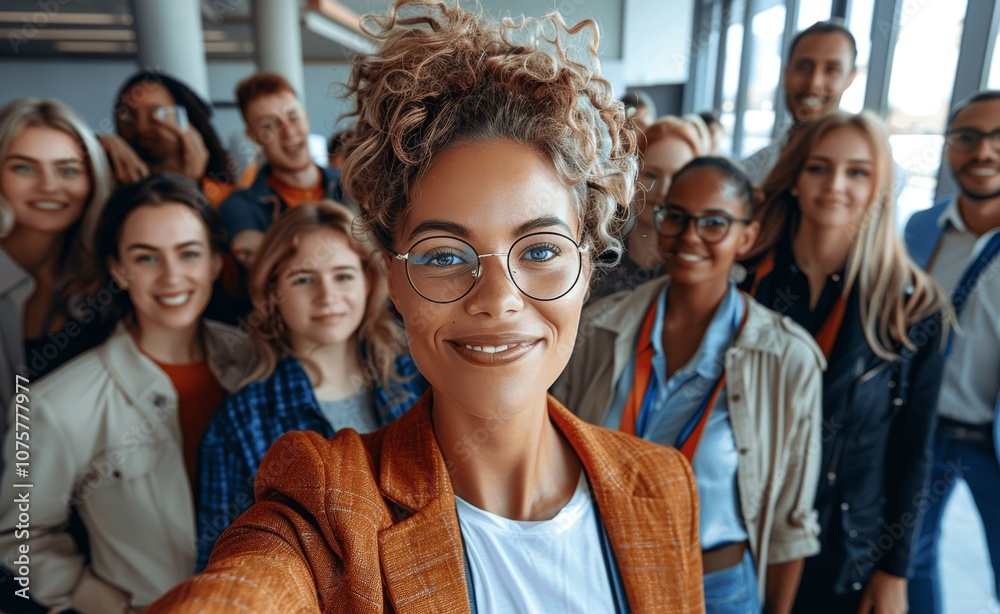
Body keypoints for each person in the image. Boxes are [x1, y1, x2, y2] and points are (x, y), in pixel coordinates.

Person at [149, 1, 703, 611]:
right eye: (444, 256)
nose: (498, 300)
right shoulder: (330, 504)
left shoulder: (664, 484)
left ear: (587, 268)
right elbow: (248, 588)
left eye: (541, 249)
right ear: (392, 279)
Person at [556, 156, 824, 613]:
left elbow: (790, 523)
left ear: (747, 237)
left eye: (714, 222)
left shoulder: (788, 358)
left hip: (714, 589)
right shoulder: (597, 328)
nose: (690, 235)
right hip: (597, 573)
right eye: (676, 216)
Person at [0, 174, 257, 612]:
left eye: (189, 253)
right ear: (119, 269)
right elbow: (18, 538)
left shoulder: (258, 361)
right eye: (146, 258)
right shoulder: (54, 405)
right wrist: (105, 603)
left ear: (215, 262)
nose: (172, 276)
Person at [743, 111, 951, 614]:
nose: (836, 185)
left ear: (879, 185)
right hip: (735, 528)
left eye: (857, 171)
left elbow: (913, 450)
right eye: (819, 167)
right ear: (795, 178)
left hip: (841, 546)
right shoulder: (744, 278)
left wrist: (894, 569)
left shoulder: (912, 310)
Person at [195, 201, 427, 570]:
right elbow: (223, 561)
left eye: (343, 275)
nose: (327, 295)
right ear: (272, 291)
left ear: (369, 281)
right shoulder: (242, 419)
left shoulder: (418, 373)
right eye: (303, 279)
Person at [905, 90, 1000, 614]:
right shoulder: (923, 227)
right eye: (968, 137)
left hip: (993, 440)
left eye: (998, 138)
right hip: (926, 428)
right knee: (910, 558)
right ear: (949, 147)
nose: (983, 151)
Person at [0, 98, 113, 414]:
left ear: (92, 179)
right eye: (23, 167)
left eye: (68, 170)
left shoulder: (107, 281)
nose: (49, 185)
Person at [219, 73, 344, 266]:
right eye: (270, 124)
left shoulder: (353, 187)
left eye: (293, 117)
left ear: (306, 117)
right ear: (253, 136)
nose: (289, 132)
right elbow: (254, 256)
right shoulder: (241, 206)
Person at [590, 115, 711, 300]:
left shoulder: (696, 271)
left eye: (677, 179)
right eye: (652, 175)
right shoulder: (598, 255)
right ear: (632, 176)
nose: (662, 191)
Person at [103, 71, 247, 205]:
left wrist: (186, 184)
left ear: (187, 121)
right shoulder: (108, 194)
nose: (141, 127)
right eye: (126, 116)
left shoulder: (226, 198)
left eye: (156, 113)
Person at [742, 21, 858, 186]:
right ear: (786, 75)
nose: (814, 83)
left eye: (831, 70)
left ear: (850, 78)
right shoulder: (748, 173)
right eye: (804, 67)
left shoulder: (876, 171)